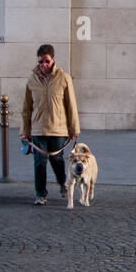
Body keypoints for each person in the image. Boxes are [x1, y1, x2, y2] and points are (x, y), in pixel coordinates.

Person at [20, 44, 81, 206]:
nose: (43, 65)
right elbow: (26, 107)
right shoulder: (32, 79)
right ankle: (40, 194)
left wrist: (74, 128)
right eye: (40, 62)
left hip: (58, 128)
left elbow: (71, 105)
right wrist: (24, 131)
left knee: (57, 160)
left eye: (46, 61)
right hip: (38, 128)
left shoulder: (64, 78)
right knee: (39, 162)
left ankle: (63, 184)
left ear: (53, 59)